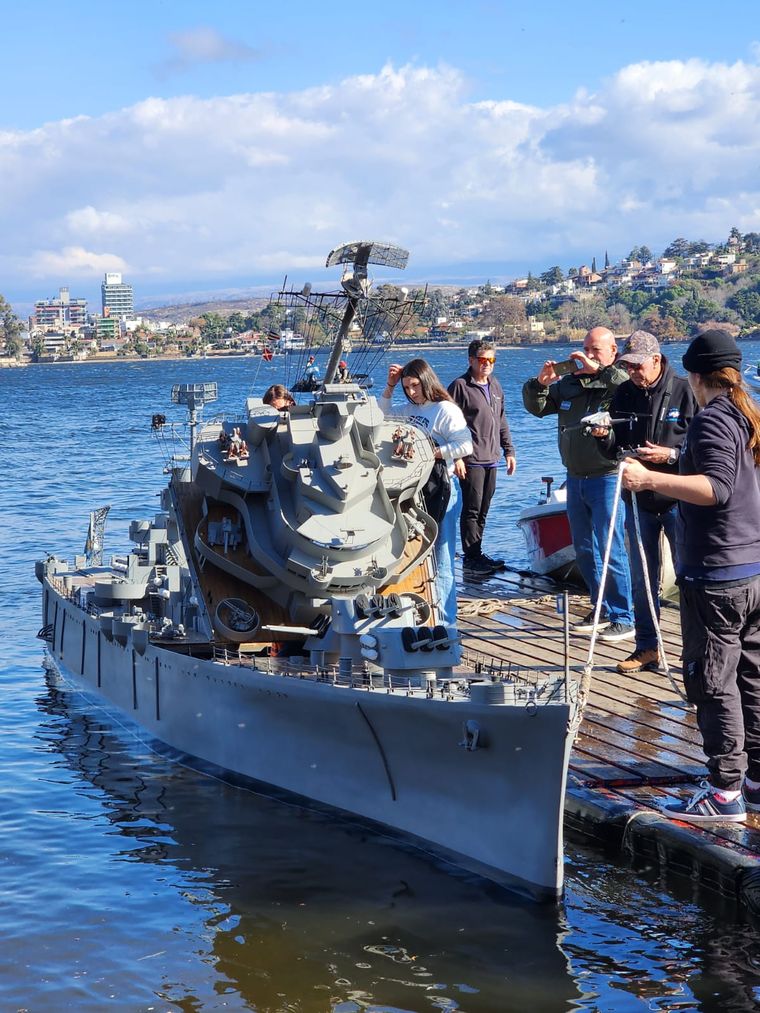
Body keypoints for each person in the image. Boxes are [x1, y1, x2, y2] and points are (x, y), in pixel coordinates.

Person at [622, 329, 760, 823]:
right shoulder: (747, 414)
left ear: (697, 377)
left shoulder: (711, 418)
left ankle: (725, 791)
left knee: (712, 679)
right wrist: (676, 458)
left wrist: (649, 478)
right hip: (751, 566)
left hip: (718, 571)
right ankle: (753, 779)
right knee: (750, 674)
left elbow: (718, 487)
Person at [591, 331, 696, 673]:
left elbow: (703, 449)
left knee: (689, 577)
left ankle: (695, 651)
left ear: (656, 359)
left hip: (680, 498)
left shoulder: (685, 390)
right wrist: (603, 437)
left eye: (638, 366)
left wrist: (670, 455)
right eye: (628, 366)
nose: (634, 372)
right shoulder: (623, 393)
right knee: (642, 579)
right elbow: (613, 451)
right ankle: (647, 646)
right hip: (637, 501)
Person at [522, 326, 634, 642]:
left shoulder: (618, 381)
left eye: (596, 349)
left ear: (613, 352)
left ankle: (623, 616)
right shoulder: (570, 383)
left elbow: (625, 388)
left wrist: (599, 369)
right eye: (586, 347)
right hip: (575, 478)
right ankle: (600, 608)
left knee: (610, 548)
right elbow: (538, 408)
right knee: (585, 549)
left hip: (607, 476)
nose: (587, 353)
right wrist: (540, 384)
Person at [380, 358, 472, 626]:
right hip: (412, 495)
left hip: (441, 489)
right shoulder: (408, 409)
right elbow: (379, 417)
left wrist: (433, 453)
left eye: (415, 385)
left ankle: (446, 624)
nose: (410, 391)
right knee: (417, 555)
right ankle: (420, 617)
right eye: (406, 387)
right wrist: (389, 387)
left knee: (443, 557)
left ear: (426, 381)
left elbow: (465, 444)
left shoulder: (444, 409)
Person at [448, 339, 517, 575]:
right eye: (482, 360)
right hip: (470, 458)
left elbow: (502, 420)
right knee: (472, 509)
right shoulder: (459, 386)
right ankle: (472, 557)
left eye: (491, 360)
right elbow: (447, 423)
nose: (487, 364)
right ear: (471, 360)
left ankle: (477, 551)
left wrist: (509, 451)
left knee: (484, 509)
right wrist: (455, 457)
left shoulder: (495, 386)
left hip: (492, 457)